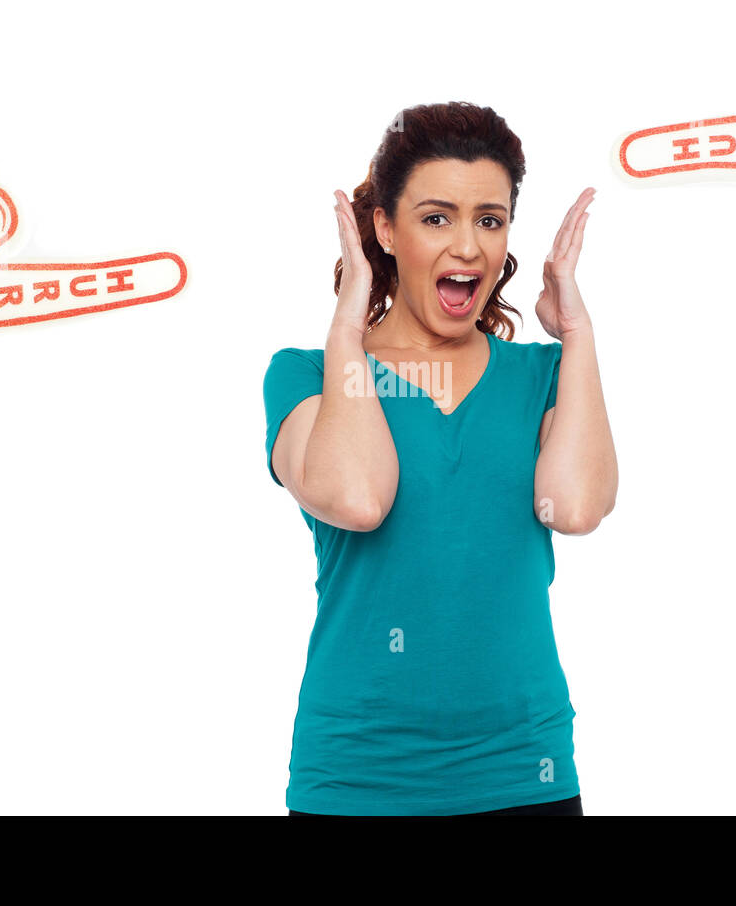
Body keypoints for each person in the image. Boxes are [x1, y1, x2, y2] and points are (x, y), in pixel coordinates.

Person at [263, 101, 617, 816]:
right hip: (357, 780)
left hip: (526, 771)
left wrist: (577, 335)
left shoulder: (543, 376)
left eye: (490, 219)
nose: (468, 246)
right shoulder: (306, 375)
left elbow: (575, 507)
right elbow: (360, 498)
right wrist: (348, 330)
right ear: (385, 230)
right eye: (435, 218)